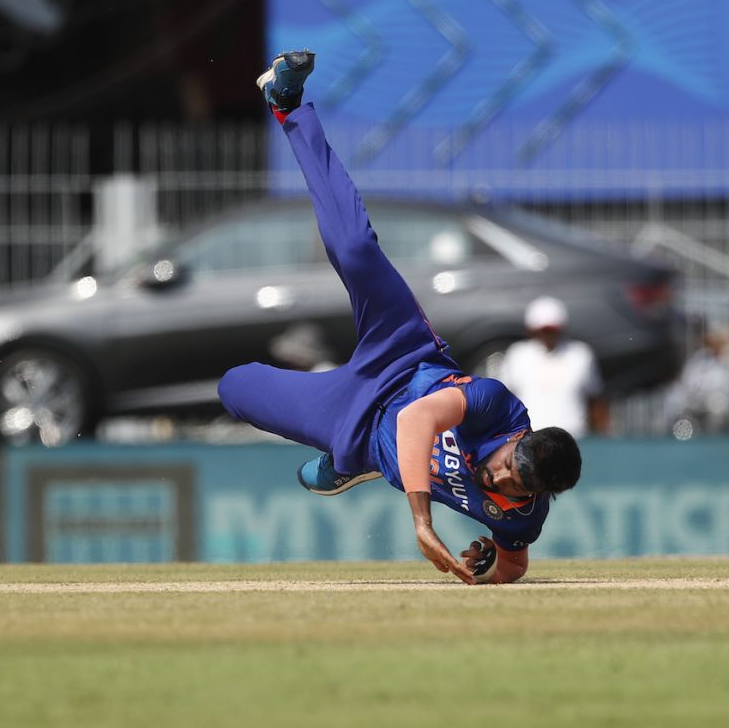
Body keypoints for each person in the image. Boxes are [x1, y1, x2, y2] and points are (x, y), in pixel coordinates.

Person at [217, 51, 582, 585]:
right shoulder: (499, 409)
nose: (503, 471)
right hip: (403, 358)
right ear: (517, 440)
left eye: (518, 478)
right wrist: (423, 523)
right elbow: (417, 420)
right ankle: (290, 106)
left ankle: (353, 460)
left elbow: (515, 563)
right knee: (356, 249)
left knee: (234, 387)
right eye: (513, 458)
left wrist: (484, 571)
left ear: (536, 495)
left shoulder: (523, 516)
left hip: (357, 426)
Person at [498, 296, 607, 439]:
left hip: (573, 440)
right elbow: (504, 401)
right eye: (543, 330)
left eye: (551, 330)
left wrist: (603, 435)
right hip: (528, 439)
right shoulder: (517, 355)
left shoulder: (580, 354)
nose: (547, 335)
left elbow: (595, 399)